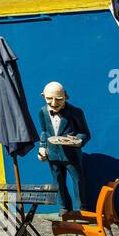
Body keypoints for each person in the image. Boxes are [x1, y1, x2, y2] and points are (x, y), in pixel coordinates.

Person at [36, 81, 91, 213]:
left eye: (59, 99)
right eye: (49, 99)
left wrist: (78, 141)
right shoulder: (42, 112)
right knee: (58, 182)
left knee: (78, 181)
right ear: (43, 96)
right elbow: (44, 132)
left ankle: (81, 209)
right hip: (52, 153)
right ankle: (64, 207)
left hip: (71, 154)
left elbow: (85, 133)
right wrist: (42, 147)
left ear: (65, 97)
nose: (54, 103)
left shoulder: (76, 112)